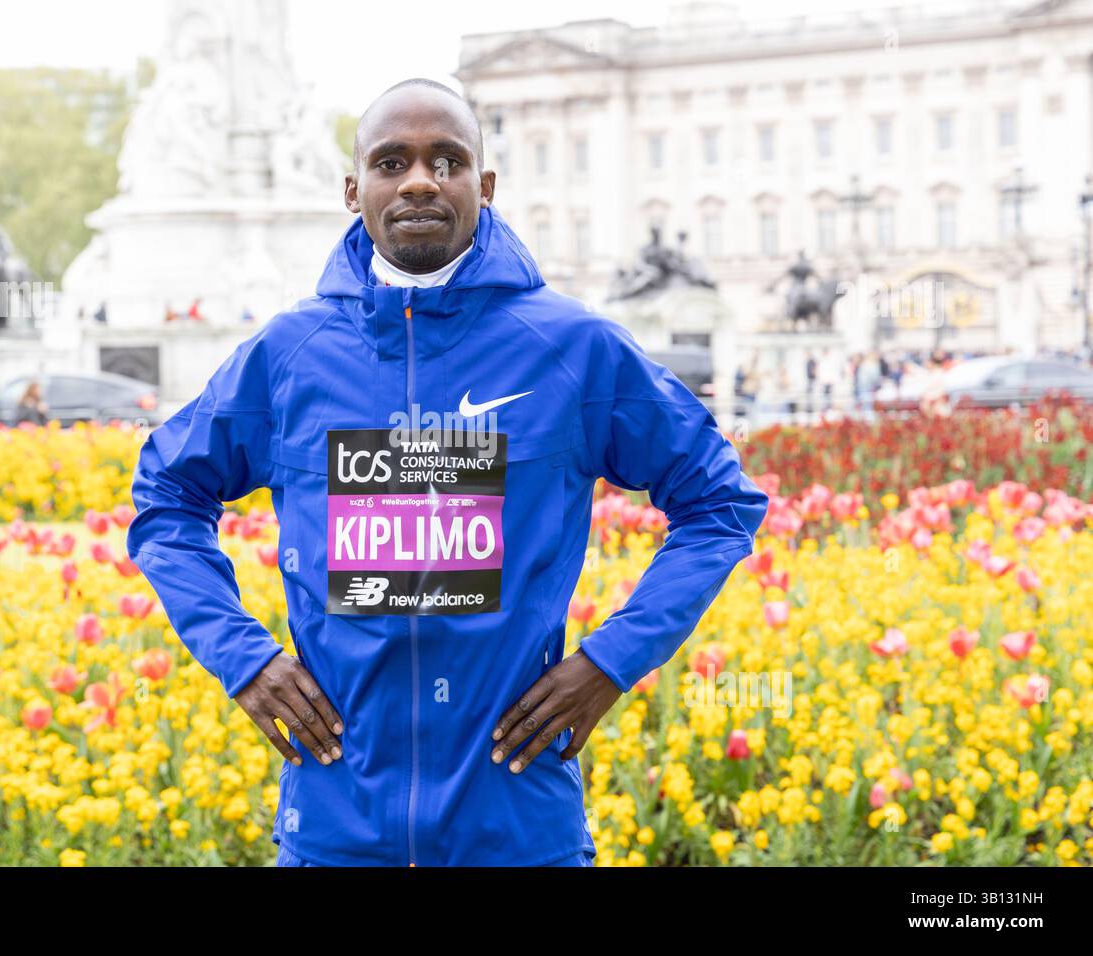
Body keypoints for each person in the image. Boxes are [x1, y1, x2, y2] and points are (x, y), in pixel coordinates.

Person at [126, 78, 769, 868]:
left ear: (484, 186)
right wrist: (244, 659)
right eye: (392, 162)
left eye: (447, 160)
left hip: (518, 831)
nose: (421, 180)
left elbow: (720, 503)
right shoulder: (288, 354)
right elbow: (165, 494)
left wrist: (610, 663)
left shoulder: (573, 348)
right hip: (334, 832)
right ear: (354, 189)